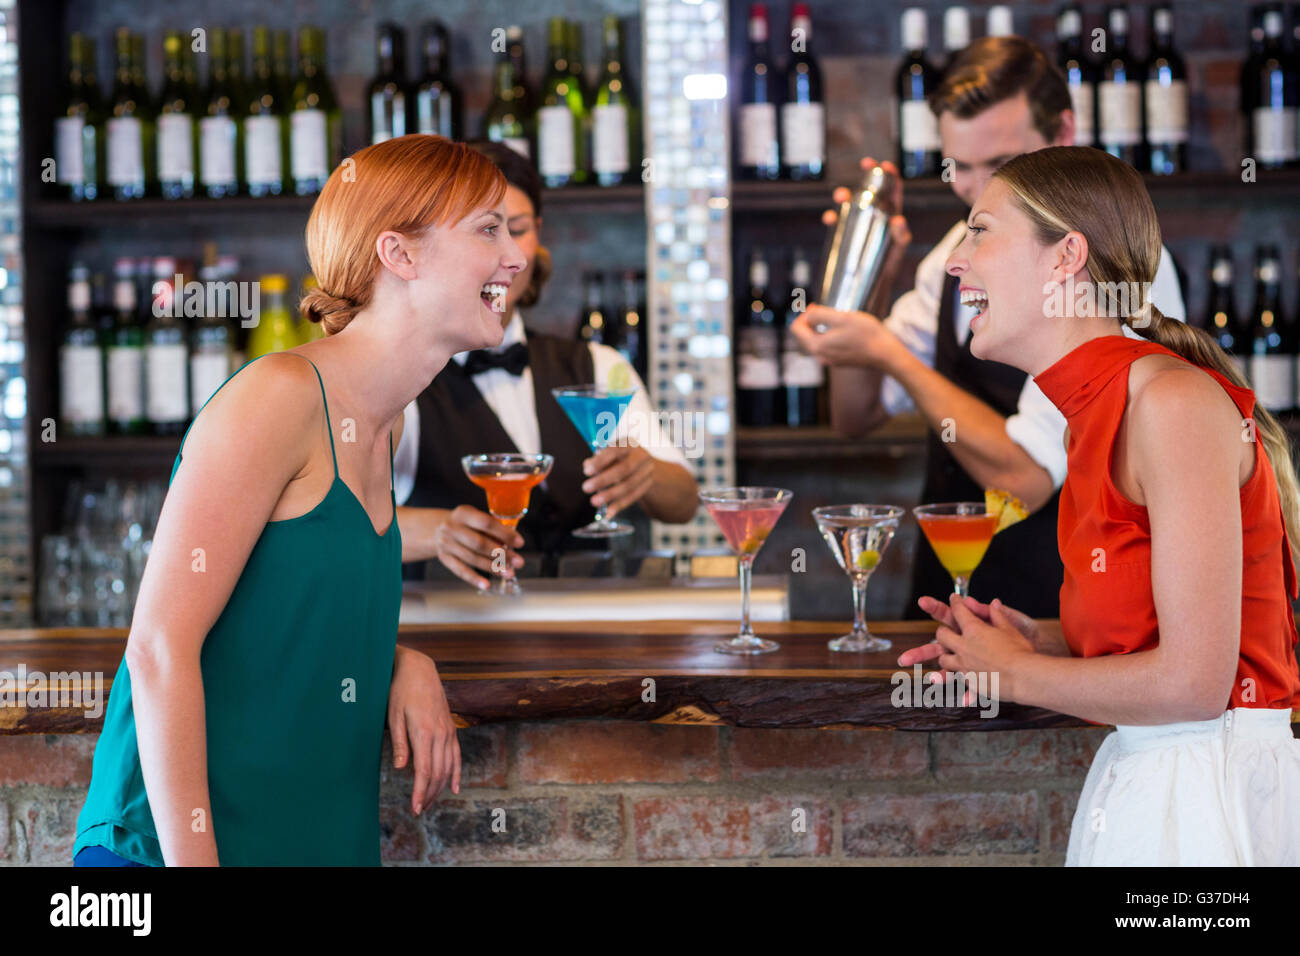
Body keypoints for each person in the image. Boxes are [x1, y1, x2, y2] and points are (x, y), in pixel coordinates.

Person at [72, 135, 520, 865]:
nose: (517, 257)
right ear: (399, 255)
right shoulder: (278, 397)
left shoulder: (387, 417)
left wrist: (401, 658)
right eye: (488, 229)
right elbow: (158, 648)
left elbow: (291, 605)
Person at [903, 145, 1300, 865]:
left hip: (1210, 804)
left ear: (1066, 258)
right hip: (1162, 789)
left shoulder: (1168, 403)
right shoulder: (1096, 413)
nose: (957, 261)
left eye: (980, 230)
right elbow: (1162, 639)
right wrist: (1038, 641)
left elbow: (1196, 684)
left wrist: (1014, 675)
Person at [792, 37, 1186, 618]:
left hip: (1057, 620)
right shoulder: (949, 258)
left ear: (1063, 133)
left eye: (1000, 166)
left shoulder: (1121, 268)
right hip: (947, 604)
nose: (978, 193)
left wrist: (892, 355)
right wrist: (867, 293)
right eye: (961, 168)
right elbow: (854, 417)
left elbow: (1024, 479)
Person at [393, 141, 697, 590]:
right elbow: (338, 522)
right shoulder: (403, 378)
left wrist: (646, 471)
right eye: (484, 232)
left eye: (516, 228)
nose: (506, 255)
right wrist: (435, 531)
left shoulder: (596, 365)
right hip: (454, 635)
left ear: (537, 232)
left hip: (586, 628)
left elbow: (684, 502)